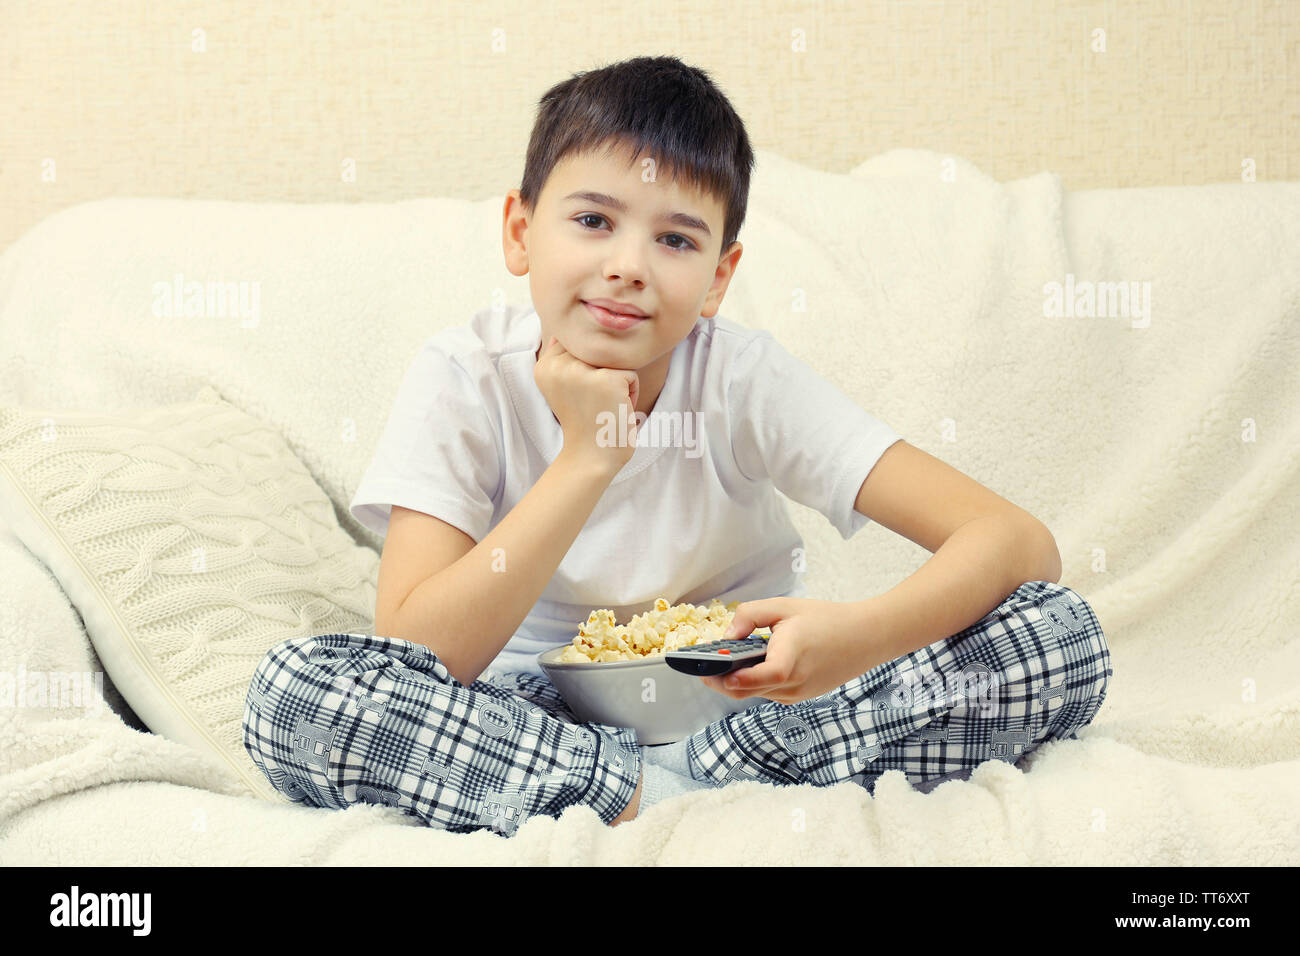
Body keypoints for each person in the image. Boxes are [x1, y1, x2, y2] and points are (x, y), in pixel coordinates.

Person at [242, 55, 1111, 838]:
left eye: (675, 240)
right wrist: (588, 458)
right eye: (593, 220)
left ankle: (675, 789)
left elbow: (1017, 543)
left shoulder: (740, 380)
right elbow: (422, 649)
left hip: (746, 709)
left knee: (1059, 633)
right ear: (519, 232)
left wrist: (855, 638)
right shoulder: (463, 379)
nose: (629, 266)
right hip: (525, 718)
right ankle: (655, 799)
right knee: (295, 692)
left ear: (718, 279)